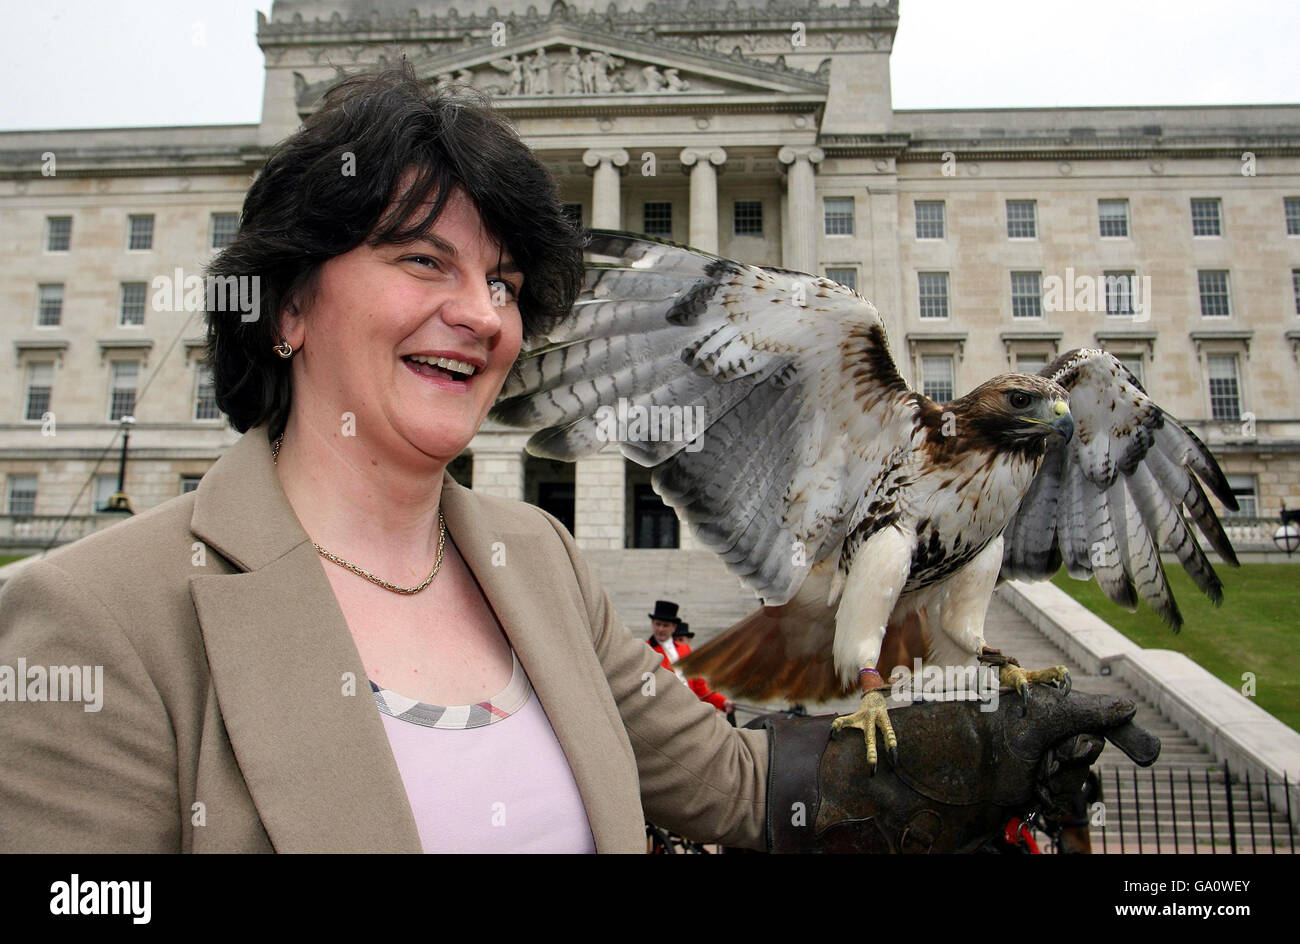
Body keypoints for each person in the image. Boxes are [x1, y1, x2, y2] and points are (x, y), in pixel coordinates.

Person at [0, 65, 1141, 854]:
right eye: (422, 262)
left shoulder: (536, 562)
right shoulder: (93, 619)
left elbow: (735, 788)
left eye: (504, 283)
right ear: (289, 303)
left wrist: (954, 754)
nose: (481, 315)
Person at [645, 607, 733, 714]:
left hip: (691, 707)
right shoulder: (646, 650)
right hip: (665, 711)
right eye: (657, 624)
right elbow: (647, 692)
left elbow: (700, 686)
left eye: (665, 625)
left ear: (674, 627)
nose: (660, 629)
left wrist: (723, 702)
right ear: (652, 624)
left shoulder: (684, 649)